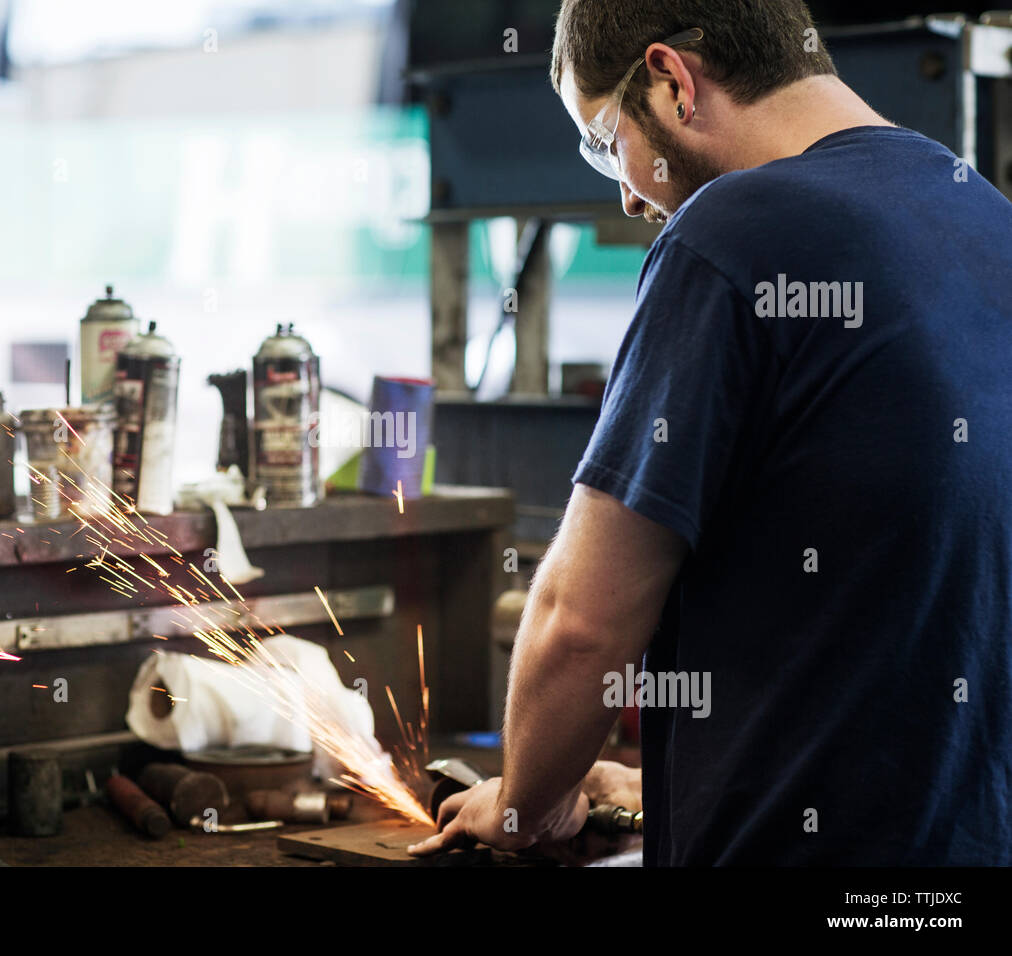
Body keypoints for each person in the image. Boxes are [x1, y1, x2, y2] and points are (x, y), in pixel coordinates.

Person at [410, 0, 1012, 865]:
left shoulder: (733, 233)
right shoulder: (985, 218)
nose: (624, 190)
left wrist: (526, 807)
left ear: (672, 79)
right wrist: (664, 786)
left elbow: (580, 625)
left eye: (607, 141)